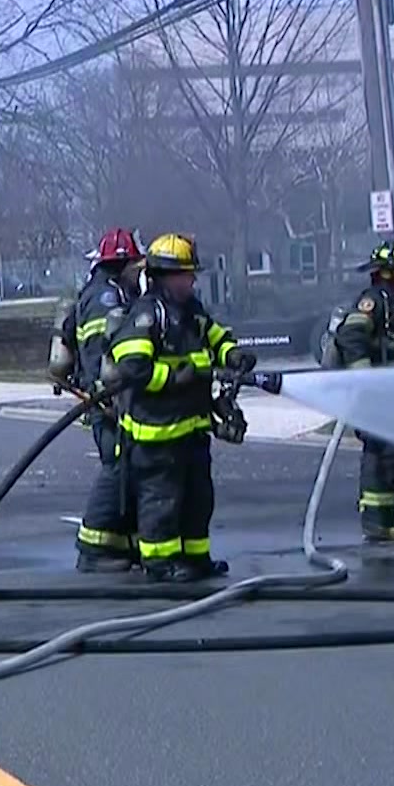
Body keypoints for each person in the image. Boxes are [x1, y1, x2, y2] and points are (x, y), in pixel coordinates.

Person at [106, 233, 255, 583]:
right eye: (185, 274)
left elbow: (215, 336)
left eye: (191, 274)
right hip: (157, 435)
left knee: (197, 499)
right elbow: (133, 369)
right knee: (162, 502)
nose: (191, 281)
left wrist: (233, 354)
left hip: (192, 428)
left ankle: (196, 559)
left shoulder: (191, 310)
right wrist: (177, 377)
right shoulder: (147, 315)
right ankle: (160, 563)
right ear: (163, 276)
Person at [332, 238, 394, 543]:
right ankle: (375, 522)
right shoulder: (374, 301)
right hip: (375, 396)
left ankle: (384, 523)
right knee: (383, 452)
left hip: (392, 396)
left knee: (393, 454)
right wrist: (367, 379)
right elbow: (350, 336)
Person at [63, 228, 147, 573]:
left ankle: (126, 545)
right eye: (135, 267)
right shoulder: (106, 298)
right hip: (107, 401)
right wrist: (108, 396)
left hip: (108, 399)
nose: (139, 274)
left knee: (130, 470)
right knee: (117, 468)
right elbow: (101, 350)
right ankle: (92, 550)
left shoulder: (101, 291)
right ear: (121, 265)